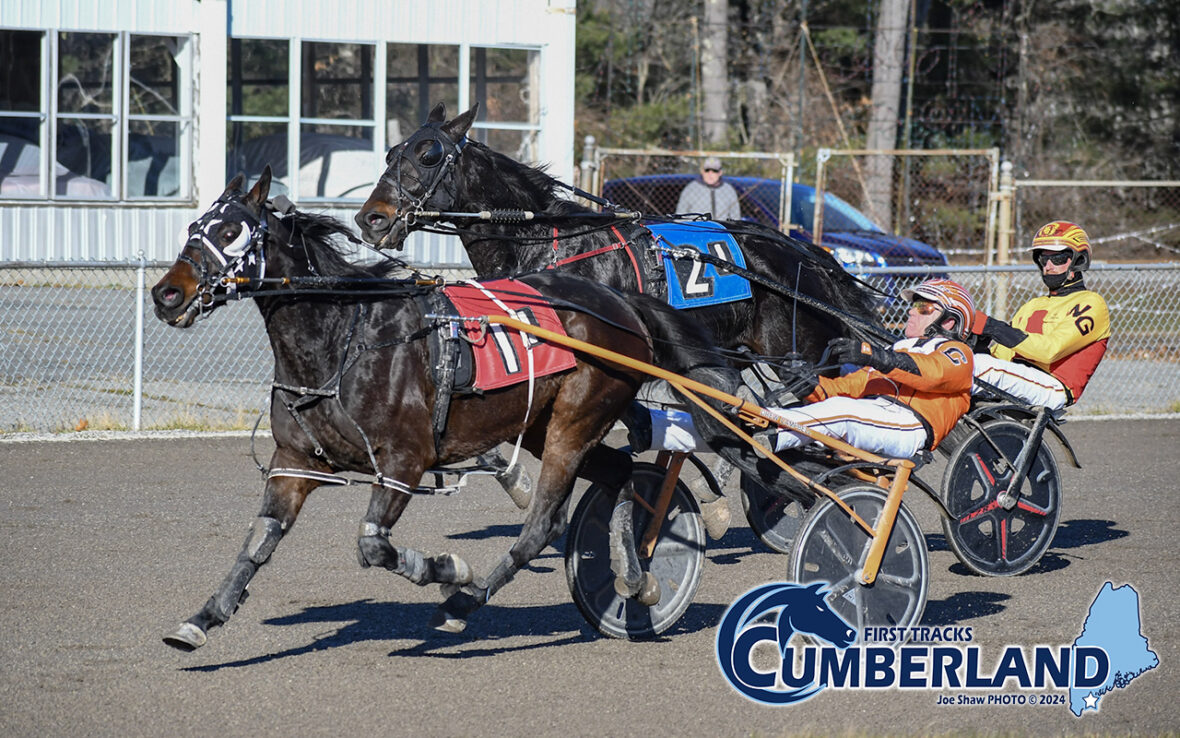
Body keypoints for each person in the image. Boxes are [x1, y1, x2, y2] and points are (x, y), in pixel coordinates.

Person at [760, 279, 976, 459]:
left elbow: (934, 374)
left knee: (843, 411)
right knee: (839, 404)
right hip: (878, 414)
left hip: (911, 425)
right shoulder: (898, 348)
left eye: (923, 307)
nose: (911, 311)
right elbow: (850, 387)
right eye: (913, 305)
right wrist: (808, 384)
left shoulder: (958, 352)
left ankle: (772, 428)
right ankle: (765, 419)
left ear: (949, 321)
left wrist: (876, 356)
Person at [971, 221, 1110, 411]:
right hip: (1022, 379)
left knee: (975, 367)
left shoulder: (1091, 303)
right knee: (955, 361)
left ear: (1079, 260)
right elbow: (1002, 356)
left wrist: (993, 327)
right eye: (1044, 259)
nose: (1049, 266)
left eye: (1059, 258)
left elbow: (1050, 351)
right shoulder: (1032, 305)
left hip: (1053, 386)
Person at [676, 156, 740, 220]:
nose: (710, 174)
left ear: (720, 172)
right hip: (696, 229)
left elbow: (736, 217)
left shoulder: (729, 190)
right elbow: (680, 216)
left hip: (722, 229)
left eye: (714, 171)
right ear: (702, 171)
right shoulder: (690, 189)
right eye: (707, 170)